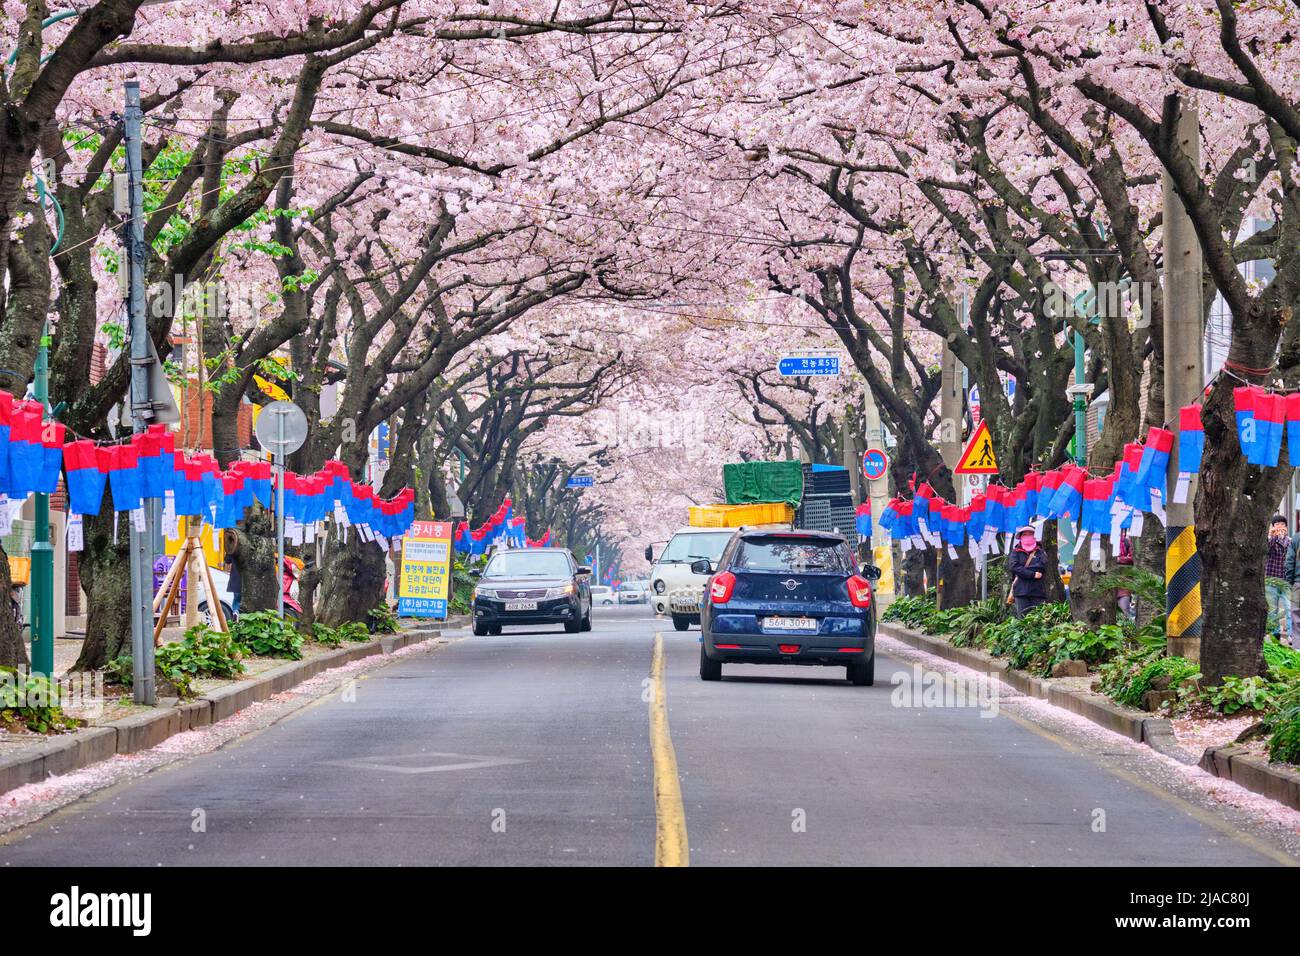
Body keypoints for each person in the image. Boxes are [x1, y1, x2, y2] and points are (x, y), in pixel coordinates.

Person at [1009, 525, 1048, 616]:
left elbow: (1041, 566)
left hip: (1038, 592)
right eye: (1025, 534)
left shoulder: (1040, 552)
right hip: (1021, 591)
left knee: (1039, 618)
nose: (1028, 536)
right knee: (1023, 619)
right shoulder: (1016, 552)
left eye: (1030, 534)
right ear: (1021, 537)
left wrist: (1023, 570)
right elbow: (1014, 567)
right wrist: (1032, 574)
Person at [1265, 514, 1291, 643]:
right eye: (1277, 524)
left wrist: (1282, 538)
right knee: (1272, 610)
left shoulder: (1290, 541)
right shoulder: (1270, 540)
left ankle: (1292, 635)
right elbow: (1267, 550)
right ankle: (1276, 636)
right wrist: (1273, 536)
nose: (1280, 526)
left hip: (1286, 580)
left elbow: (1289, 554)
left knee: (1289, 608)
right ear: (1273, 526)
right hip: (1271, 580)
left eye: (1282, 524)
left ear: (1286, 527)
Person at [1115, 529, 1135, 620]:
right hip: (1108, 587)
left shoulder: (1126, 542)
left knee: (1124, 611)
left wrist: (1119, 560)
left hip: (1123, 585)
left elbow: (1133, 558)